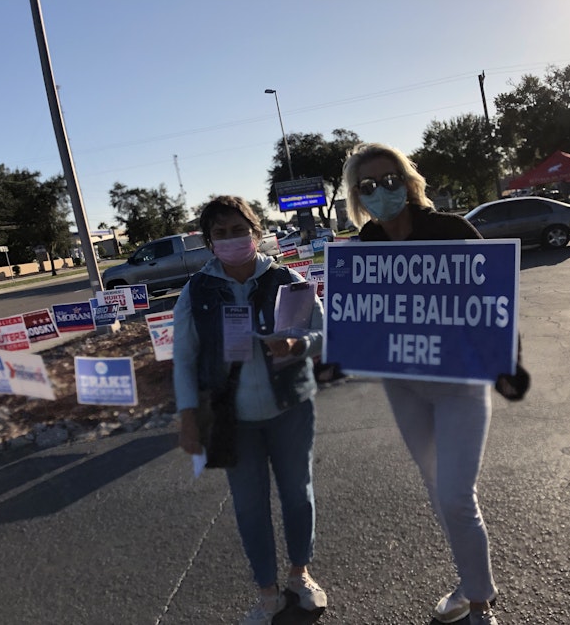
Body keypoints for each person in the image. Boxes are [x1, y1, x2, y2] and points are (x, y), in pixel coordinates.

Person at [341, 143, 530, 625]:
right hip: (402, 383)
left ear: (407, 181)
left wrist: (511, 360)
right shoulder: (366, 245)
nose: (381, 191)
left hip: (459, 382)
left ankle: (482, 604)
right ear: (357, 196)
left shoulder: (450, 229)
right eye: (369, 186)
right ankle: (468, 584)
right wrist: (337, 354)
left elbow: (496, 298)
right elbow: (363, 316)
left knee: (454, 494)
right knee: (435, 488)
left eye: (390, 180)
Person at [173, 195, 327, 625]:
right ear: (208, 243)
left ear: (257, 233)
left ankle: (301, 576)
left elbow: (325, 331)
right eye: (219, 234)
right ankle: (267, 594)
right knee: (249, 506)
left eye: (238, 230)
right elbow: (184, 359)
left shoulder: (285, 278)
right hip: (232, 417)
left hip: (290, 406)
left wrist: (301, 344)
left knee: (299, 494)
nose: (230, 239)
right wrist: (188, 417)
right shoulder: (196, 292)